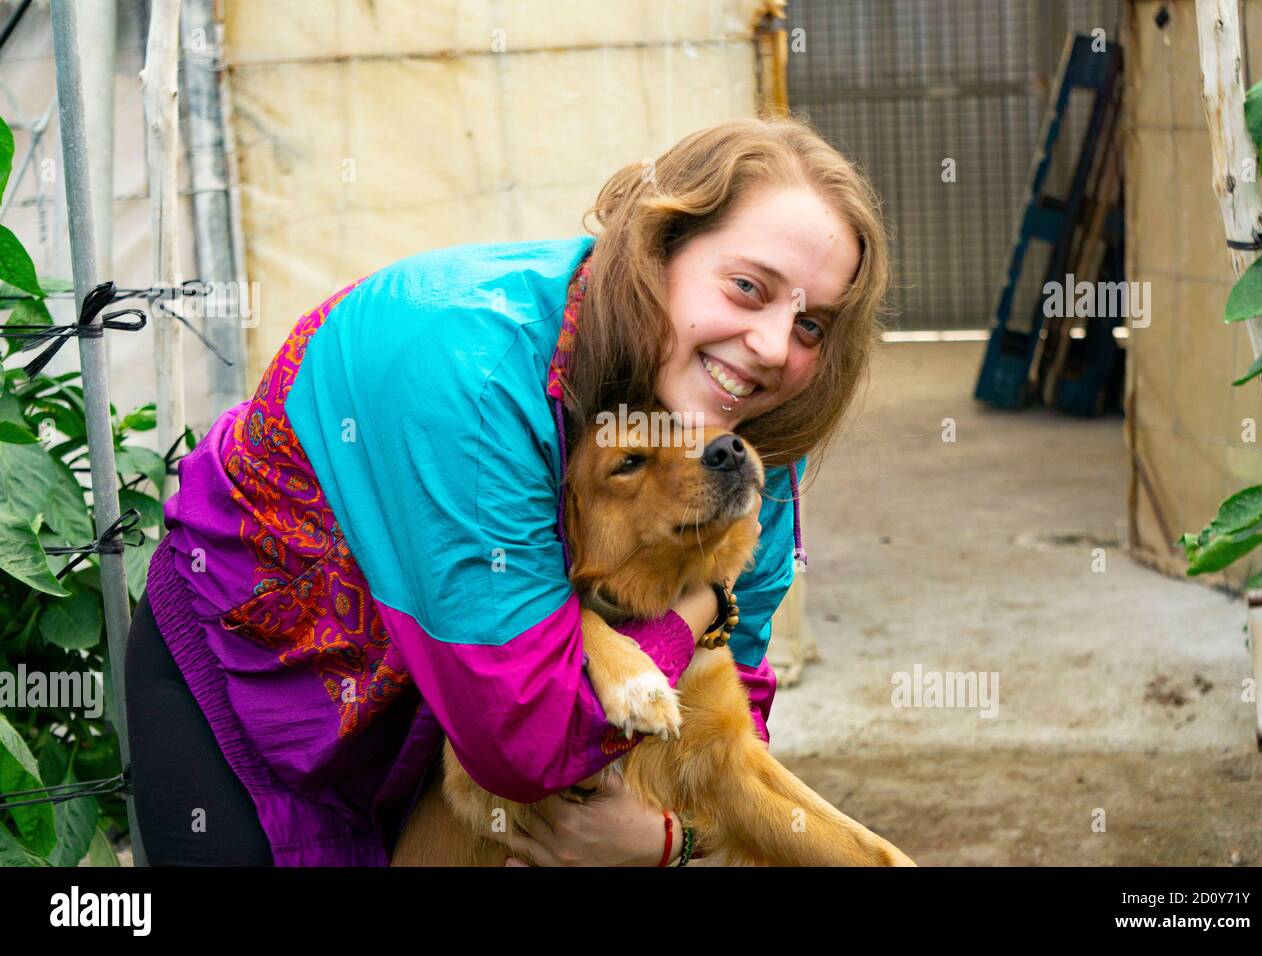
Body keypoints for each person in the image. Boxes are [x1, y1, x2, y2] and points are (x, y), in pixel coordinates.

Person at [124, 114, 889, 866]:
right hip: (258, 687)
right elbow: (525, 741)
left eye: (813, 325)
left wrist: (670, 845)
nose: (772, 347)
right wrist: (698, 609)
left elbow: (729, 714)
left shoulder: (736, 418)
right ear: (660, 247)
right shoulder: (468, 367)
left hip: (449, 715)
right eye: (749, 286)